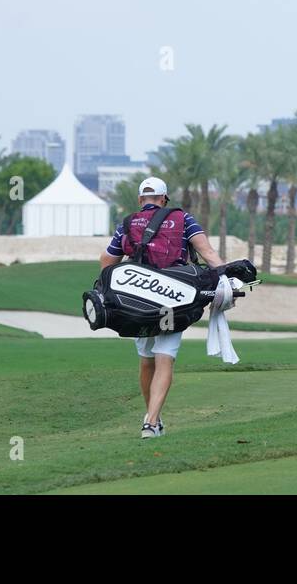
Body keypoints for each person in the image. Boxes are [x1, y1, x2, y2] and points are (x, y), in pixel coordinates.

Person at [99, 176, 225, 439]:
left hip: (138, 301)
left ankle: (152, 419)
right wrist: (225, 279)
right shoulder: (183, 219)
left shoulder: (127, 224)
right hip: (173, 299)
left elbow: (108, 261)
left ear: (139, 200)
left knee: (146, 362)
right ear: (164, 198)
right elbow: (208, 253)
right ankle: (152, 421)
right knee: (165, 357)